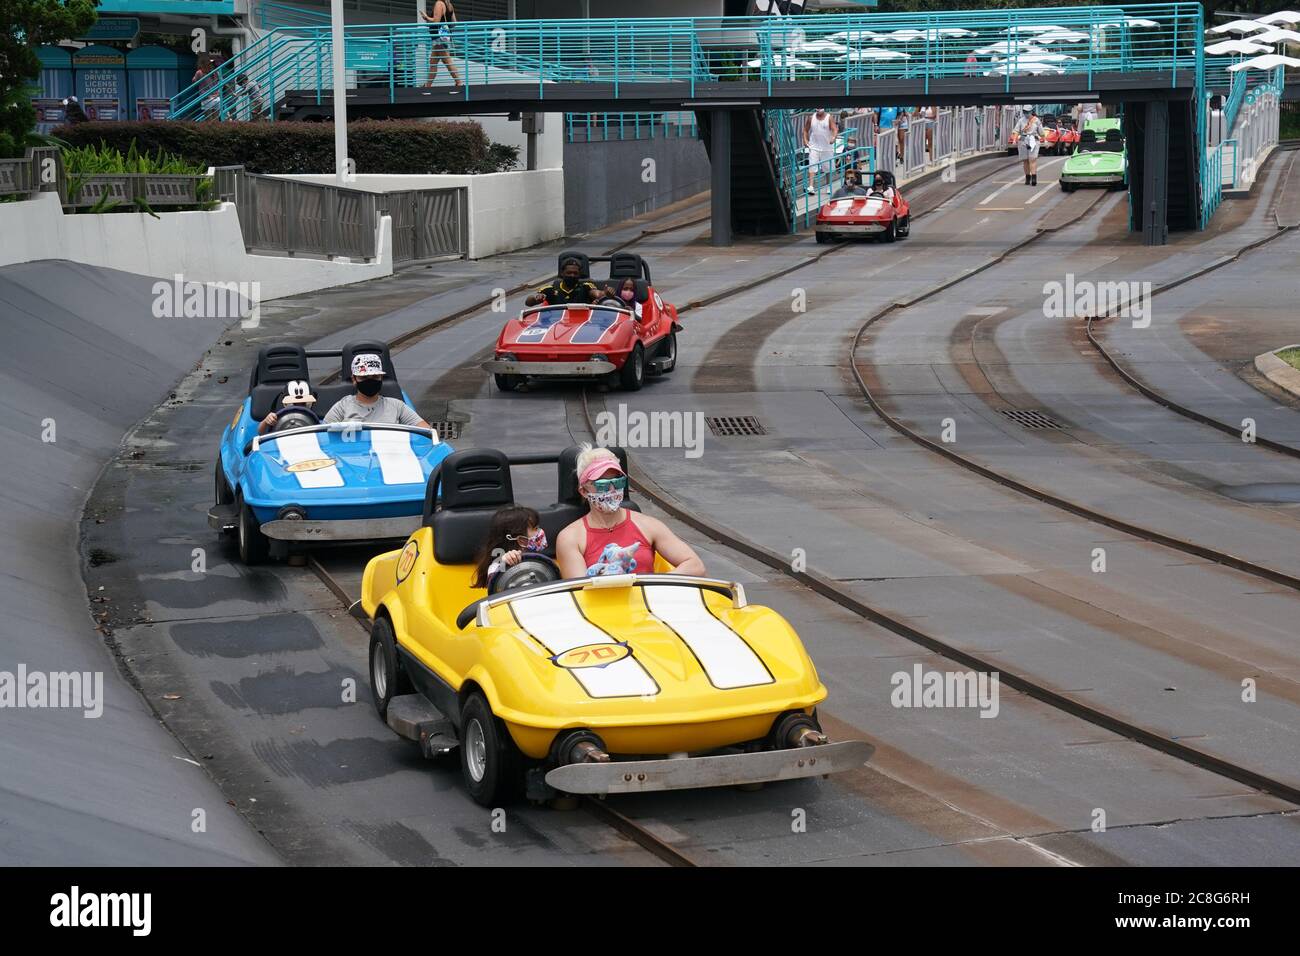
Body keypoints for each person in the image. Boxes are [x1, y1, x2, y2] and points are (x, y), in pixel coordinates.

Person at [556, 445, 706, 579]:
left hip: (648, 605)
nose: (612, 489)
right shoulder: (570, 538)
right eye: (602, 484)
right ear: (583, 490)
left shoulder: (648, 525)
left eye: (618, 481)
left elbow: (695, 566)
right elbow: (578, 591)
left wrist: (656, 583)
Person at [322, 353, 430, 426]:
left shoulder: (397, 406)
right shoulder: (342, 406)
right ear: (354, 379)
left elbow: (427, 432)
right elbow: (320, 436)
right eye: (363, 378)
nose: (370, 381)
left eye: (375, 377)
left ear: (381, 378)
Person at [472, 506, 546, 590]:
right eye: (535, 529)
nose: (540, 532)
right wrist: (503, 565)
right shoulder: (497, 565)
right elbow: (496, 589)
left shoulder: (537, 557)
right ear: (520, 539)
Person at [420, 0, 463, 93]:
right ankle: (427, 87)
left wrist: (426, 17)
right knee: (433, 62)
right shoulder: (449, 5)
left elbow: (436, 21)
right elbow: (454, 23)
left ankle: (459, 84)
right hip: (442, 36)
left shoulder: (439, 3)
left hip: (438, 37)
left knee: (447, 60)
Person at [525, 255, 599, 306]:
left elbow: (597, 294)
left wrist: (605, 293)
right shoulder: (550, 289)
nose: (572, 275)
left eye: (575, 273)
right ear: (562, 273)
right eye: (569, 273)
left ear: (579, 274)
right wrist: (536, 298)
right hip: (558, 325)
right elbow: (528, 302)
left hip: (581, 323)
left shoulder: (586, 287)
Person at [802, 107, 838, 195]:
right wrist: (805, 140)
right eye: (817, 108)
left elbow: (834, 129)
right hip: (814, 145)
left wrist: (833, 138)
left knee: (828, 168)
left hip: (826, 146)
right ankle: (811, 186)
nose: (819, 110)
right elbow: (805, 130)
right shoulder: (811, 118)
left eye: (820, 108)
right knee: (812, 165)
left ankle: (829, 186)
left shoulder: (829, 117)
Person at [1014, 105, 1044, 186]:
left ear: (1031, 111)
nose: (1026, 113)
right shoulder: (1021, 120)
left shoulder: (1036, 120)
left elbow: (1041, 132)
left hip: (1033, 140)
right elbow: (1016, 131)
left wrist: (1044, 138)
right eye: (1024, 112)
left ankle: (1034, 177)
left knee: (1032, 159)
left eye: (1027, 112)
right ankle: (1027, 177)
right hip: (1023, 140)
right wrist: (1014, 139)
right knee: (1025, 160)